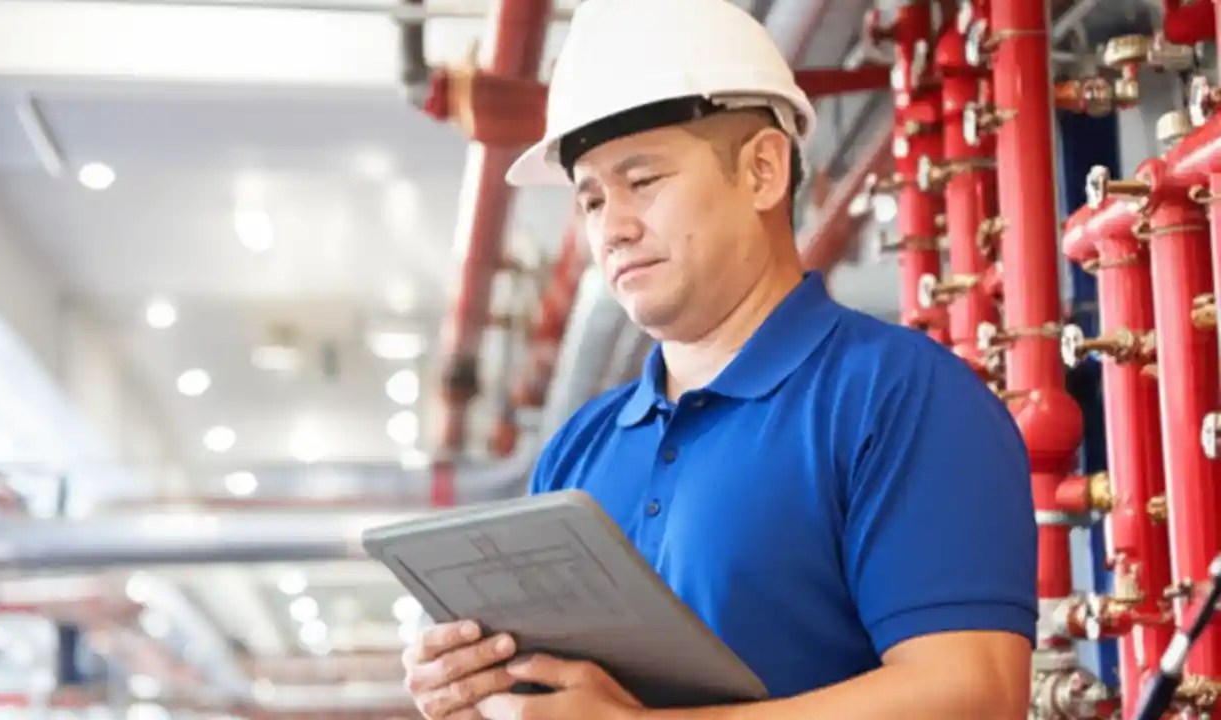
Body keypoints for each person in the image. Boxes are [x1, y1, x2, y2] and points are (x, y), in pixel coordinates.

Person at [402, 0, 1038, 717]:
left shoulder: (898, 397)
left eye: (643, 180)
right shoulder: (579, 450)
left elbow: (976, 695)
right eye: (592, 199)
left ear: (763, 170)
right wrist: (479, 688)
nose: (613, 228)